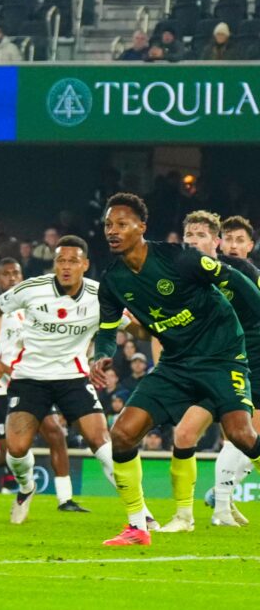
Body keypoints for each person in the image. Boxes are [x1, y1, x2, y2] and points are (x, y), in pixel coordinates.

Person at [91, 194, 260, 546]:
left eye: (122, 224)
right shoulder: (113, 281)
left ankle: (198, 512)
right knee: (122, 434)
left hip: (221, 356)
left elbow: (236, 282)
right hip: (176, 363)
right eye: (109, 224)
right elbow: (108, 329)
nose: (113, 231)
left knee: (242, 435)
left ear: (142, 227)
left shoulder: (177, 258)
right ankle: (138, 526)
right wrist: (103, 355)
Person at [0, 236, 128, 526]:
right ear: (54, 264)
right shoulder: (32, 289)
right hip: (29, 379)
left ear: (85, 265)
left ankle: (140, 514)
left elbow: (129, 324)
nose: (66, 267)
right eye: (61, 260)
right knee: (17, 449)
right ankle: (26, 488)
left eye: (73, 261)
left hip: (73, 378)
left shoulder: (101, 295)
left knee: (102, 442)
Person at [0, 257, 87, 511]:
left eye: (16, 273)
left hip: (32, 384)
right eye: (6, 274)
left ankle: (65, 499)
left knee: (56, 433)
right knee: (13, 453)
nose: (12, 278)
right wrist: (10, 369)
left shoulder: (31, 306)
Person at [159, 211, 260, 530]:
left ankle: (220, 502)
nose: (232, 245)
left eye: (238, 240)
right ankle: (200, 509)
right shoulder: (184, 276)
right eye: (228, 239)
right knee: (189, 433)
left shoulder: (244, 272)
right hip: (208, 365)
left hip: (247, 363)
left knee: (242, 436)